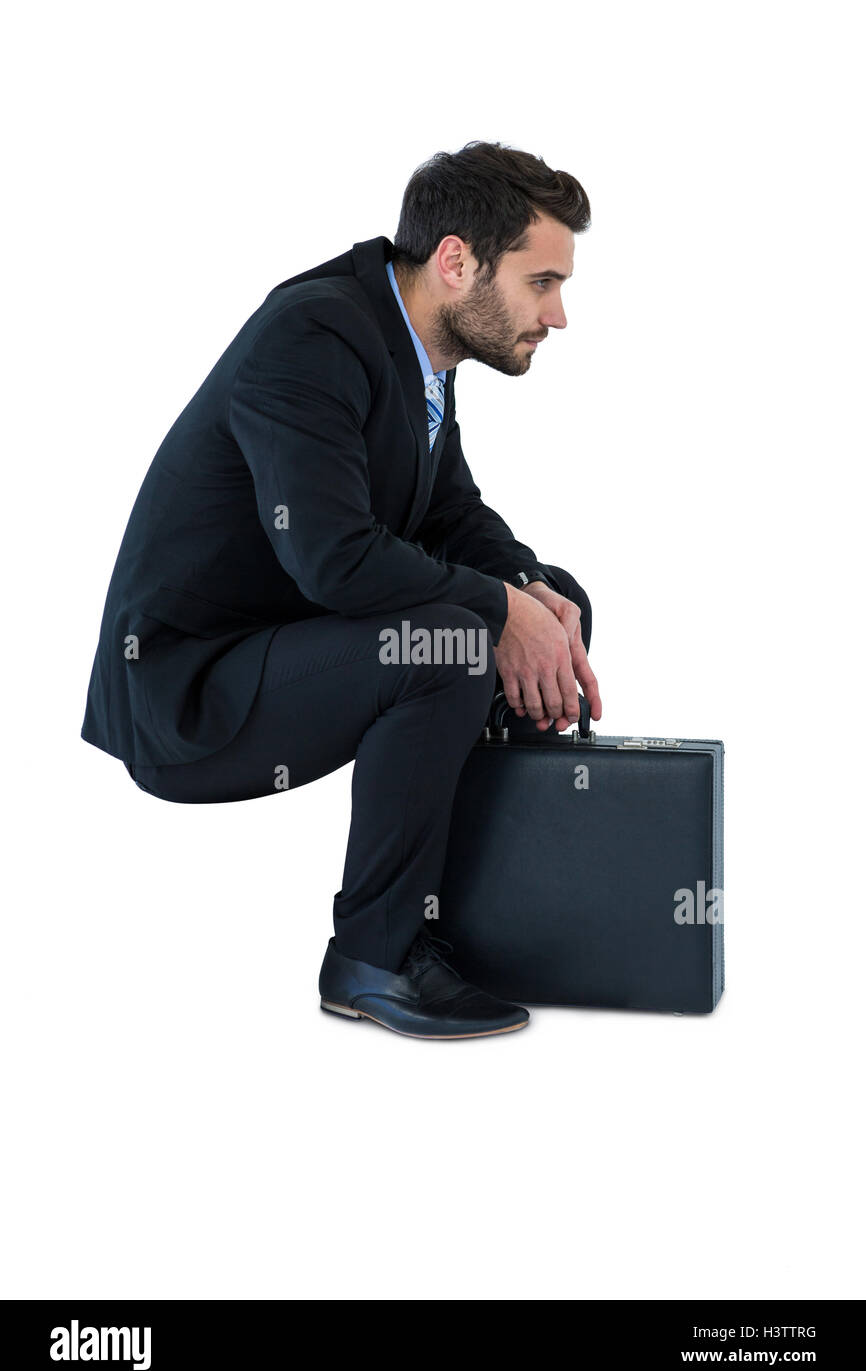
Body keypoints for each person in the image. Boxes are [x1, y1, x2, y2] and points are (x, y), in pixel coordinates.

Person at [80, 139, 602, 1041]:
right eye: (542, 283)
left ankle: (464, 928)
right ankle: (374, 957)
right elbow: (332, 559)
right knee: (453, 644)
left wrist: (533, 594)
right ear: (456, 261)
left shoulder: (415, 343)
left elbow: (450, 513)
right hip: (191, 692)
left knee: (549, 601)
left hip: (288, 648)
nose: (559, 315)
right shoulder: (314, 334)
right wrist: (496, 612)